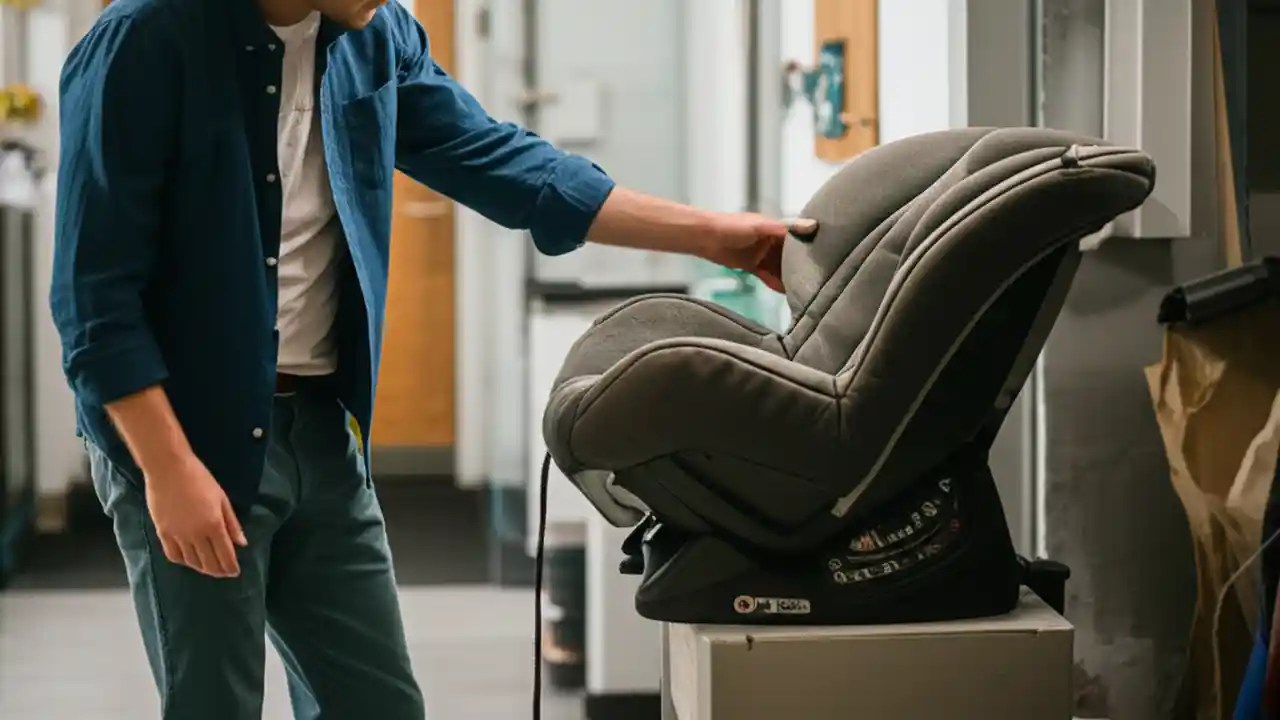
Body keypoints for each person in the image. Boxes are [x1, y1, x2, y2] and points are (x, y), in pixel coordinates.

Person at [49, 0, 799, 718]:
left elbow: (511, 166)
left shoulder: (377, 37)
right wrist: (167, 471)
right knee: (214, 704)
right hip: (185, 438)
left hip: (320, 431)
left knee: (377, 704)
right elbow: (94, 297)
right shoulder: (145, 39)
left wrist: (716, 235)